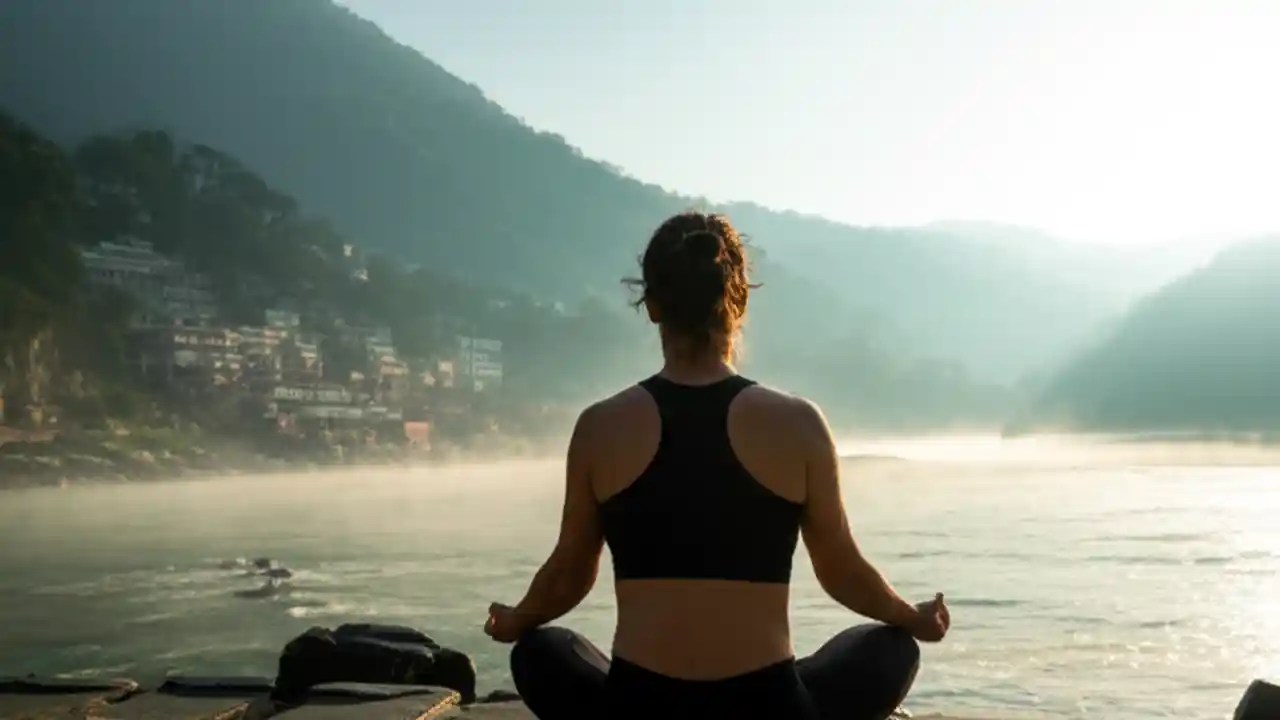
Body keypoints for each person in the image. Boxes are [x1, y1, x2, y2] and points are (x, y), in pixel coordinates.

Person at [484, 212, 950, 720]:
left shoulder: (600, 426)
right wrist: (913, 617)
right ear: (739, 301)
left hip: (638, 709)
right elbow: (841, 570)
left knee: (539, 650)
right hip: (769, 709)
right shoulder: (798, 423)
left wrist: (516, 620)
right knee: (893, 648)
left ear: (654, 306)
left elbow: (569, 573)